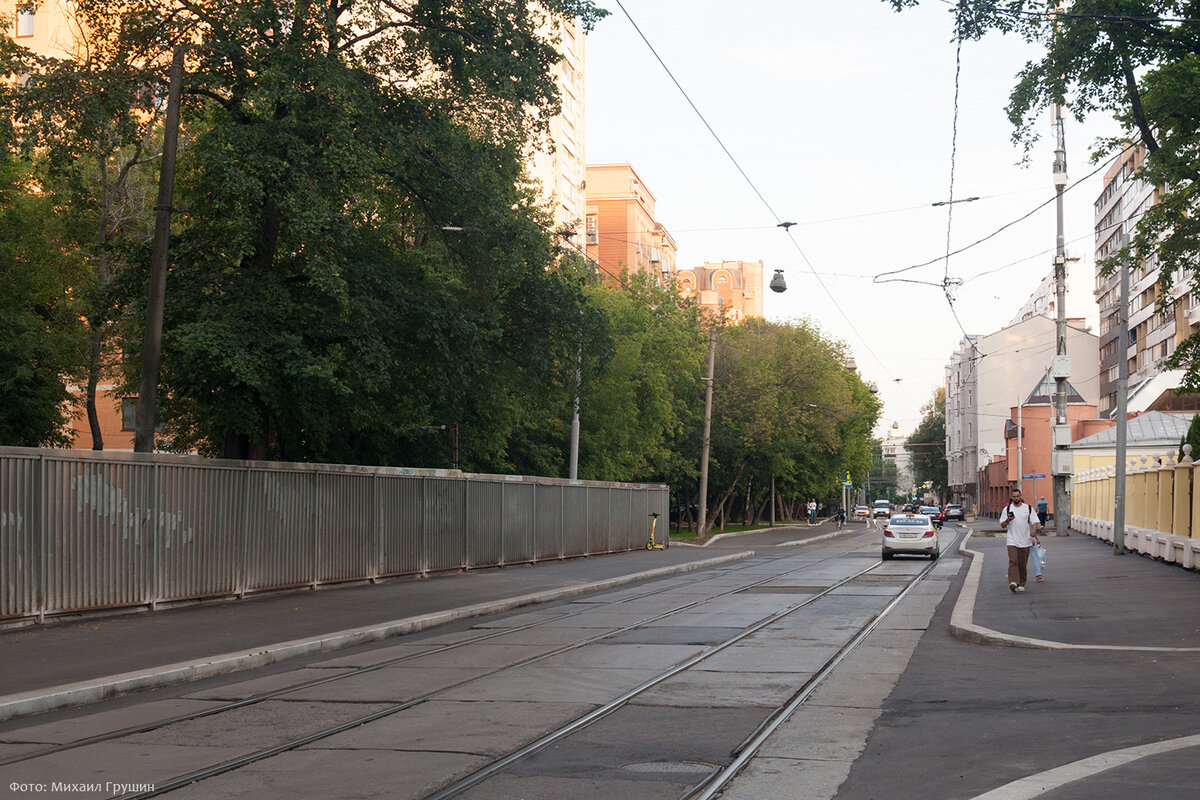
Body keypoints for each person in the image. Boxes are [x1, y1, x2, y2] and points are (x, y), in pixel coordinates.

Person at [999, 488, 1039, 593]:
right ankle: (1013, 582)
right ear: (1011, 497)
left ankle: (1021, 583)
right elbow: (1002, 525)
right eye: (1014, 496)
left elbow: (1034, 522)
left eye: (1018, 496)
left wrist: (1034, 531)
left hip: (1025, 540)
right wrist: (1008, 520)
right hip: (1012, 540)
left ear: (1021, 496)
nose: (1016, 498)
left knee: (1022, 563)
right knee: (1013, 560)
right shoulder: (1007, 509)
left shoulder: (1028, 508)